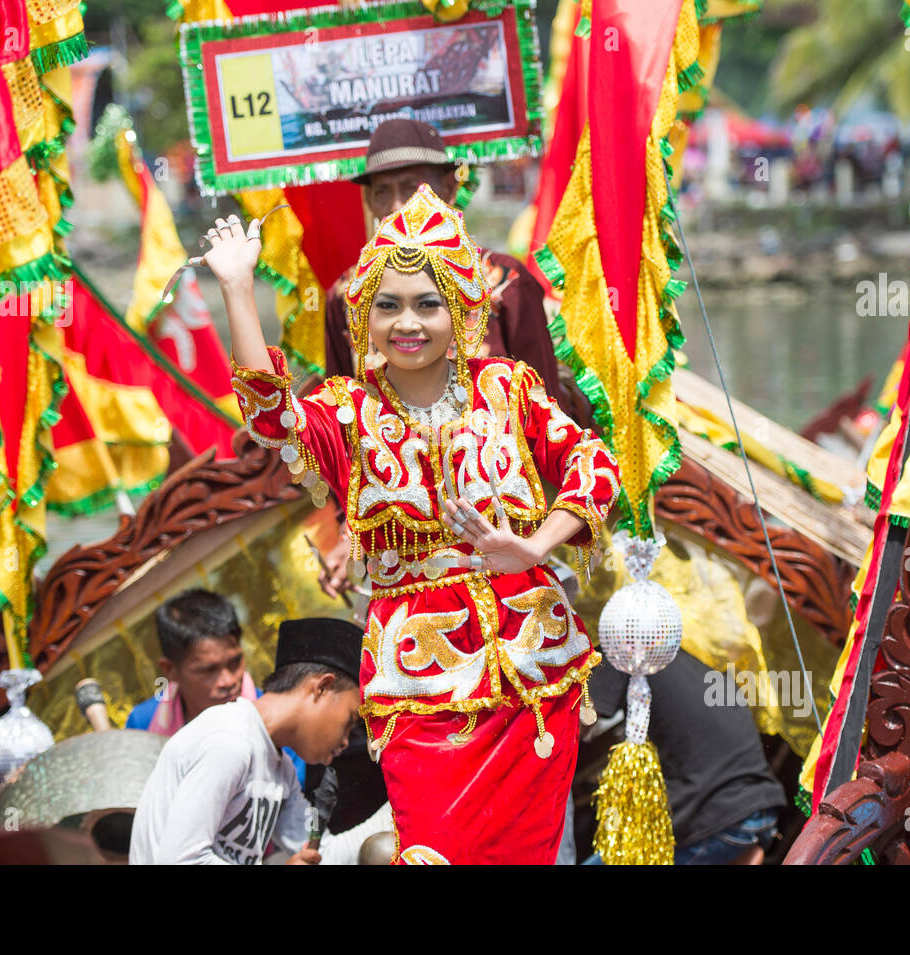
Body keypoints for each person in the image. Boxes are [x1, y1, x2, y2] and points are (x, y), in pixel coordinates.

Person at [209, 185, 620, 864]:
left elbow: (593, 463)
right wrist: (237, 288)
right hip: (420, 686)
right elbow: (270, 416)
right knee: (432, 851)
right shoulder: (347, 413)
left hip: (530, 677)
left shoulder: (506, 388)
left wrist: (536, 544)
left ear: (459, 310)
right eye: (389, 304)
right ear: (364, 317)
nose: (409, 322)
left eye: (428, 303)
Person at [324, 118, 564, 406]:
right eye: (382, 192)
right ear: (369, 202)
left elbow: (544, 405)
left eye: (411, 188)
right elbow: (340, 411)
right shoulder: (348, 294)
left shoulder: (505, 282)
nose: (398, 206)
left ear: (450, 188)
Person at [129, 617, 387, 865]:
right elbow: (179, 860)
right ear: (322, 688)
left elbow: (325, 857)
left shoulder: (281, 768)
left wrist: (409, 804)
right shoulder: (230, 739)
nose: (345, 741)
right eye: (350, 721)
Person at [588, 649, 788, 864]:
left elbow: (578, 720)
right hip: (759, 813)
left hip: (720, 819)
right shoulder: (697, 660)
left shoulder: (619, 652)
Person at [125, 588, 255, 735]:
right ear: (169, 670)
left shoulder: (275, 717)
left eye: (235, 662)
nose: (229, 681)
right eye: (208, 670)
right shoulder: (143, 725)